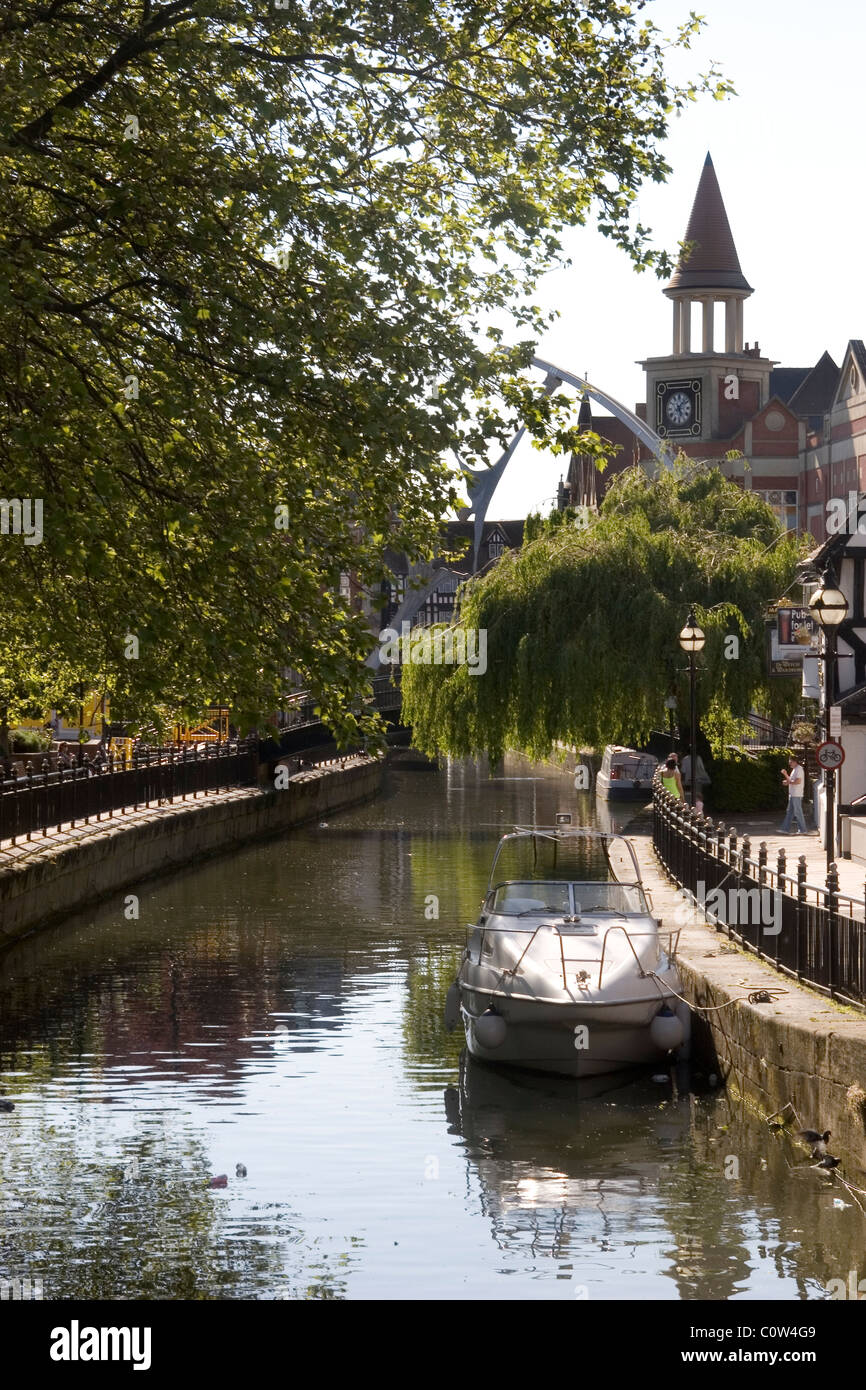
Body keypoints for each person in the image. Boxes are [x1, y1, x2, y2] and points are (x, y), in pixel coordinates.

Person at [780, 754, 808, 834]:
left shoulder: (799, 769)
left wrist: (788, 782)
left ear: (795, 762)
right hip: (793, 794)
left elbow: (798, 781)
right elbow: (792, 781)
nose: (790, 764)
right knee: (790, 811)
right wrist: (785, 775)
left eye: (791, 762)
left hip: (796, 794)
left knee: (797, 812)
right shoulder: (795, 769)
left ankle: (802, 830)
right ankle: (785, 829)